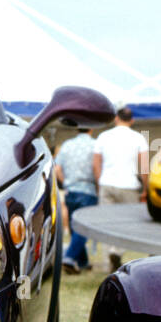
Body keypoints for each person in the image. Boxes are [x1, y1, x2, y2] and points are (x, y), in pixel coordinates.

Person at [92, 106, 149, 272]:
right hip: (129, 185)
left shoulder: (103, 136)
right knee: (127, 223)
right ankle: (117, 252)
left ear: (116, 118)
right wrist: (145, 188)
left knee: (106, 223)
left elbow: (96, 164)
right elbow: (144, 167)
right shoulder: (139, 138)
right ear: (132, 120)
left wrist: (99, 182)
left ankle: (109, 257)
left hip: (107, 183)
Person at [53, 123, 97, 273]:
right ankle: (69, 258)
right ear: (91, 128)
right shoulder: (95, 145)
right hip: (88, 189)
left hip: (70, 190)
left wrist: (65, 182)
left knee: (74, 226)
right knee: (84, 227)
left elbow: (57, 168)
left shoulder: (67, 145)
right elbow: (98, 167)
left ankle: (83, 262)